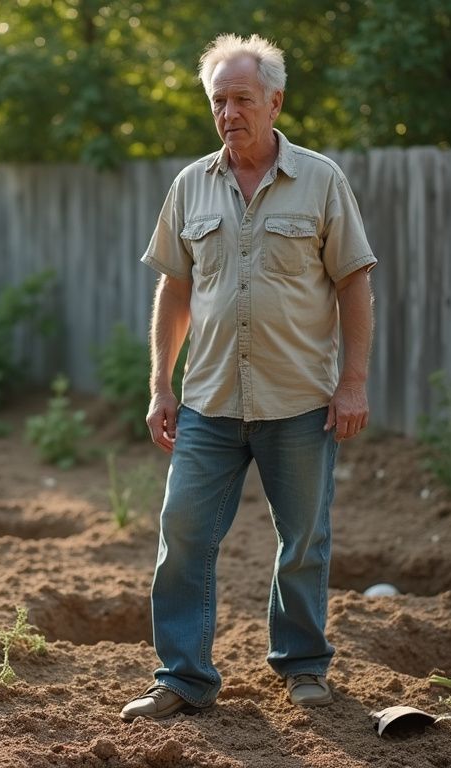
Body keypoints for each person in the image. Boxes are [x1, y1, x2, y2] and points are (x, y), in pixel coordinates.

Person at [121, 33, 376, 721]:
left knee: (303, 540)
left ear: (274, 101)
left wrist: (353, 383)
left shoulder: (321, 180)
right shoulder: (190, 185)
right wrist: (160, 386)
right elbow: (175, 290)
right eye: (218, 101)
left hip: (299, 401)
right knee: (184, 535)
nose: (229, 112)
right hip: (208, 401)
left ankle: (301, 666)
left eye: (241, 99)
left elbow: (355, 282)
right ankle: (183, 677)